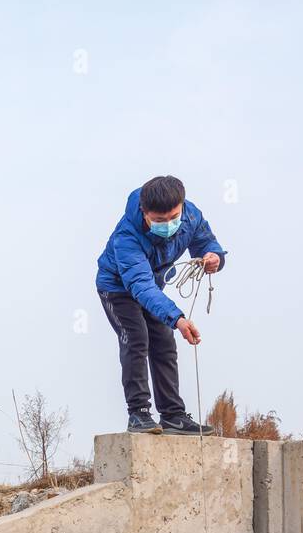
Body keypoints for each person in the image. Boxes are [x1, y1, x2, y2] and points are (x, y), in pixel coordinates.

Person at [96, 175, 226, 434]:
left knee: (164, 343)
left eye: (173, 217)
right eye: (159, 221)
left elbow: (205, 242)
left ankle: (173, 415)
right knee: (136, 338)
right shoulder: (127, 237)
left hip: (153, 288)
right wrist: (177, 318)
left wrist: (214, 258)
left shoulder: (191, 216)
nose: (168, 225)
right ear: (145, 213)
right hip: (118, 288)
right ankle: (139, 413)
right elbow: (140, 286)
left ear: (182, 205)